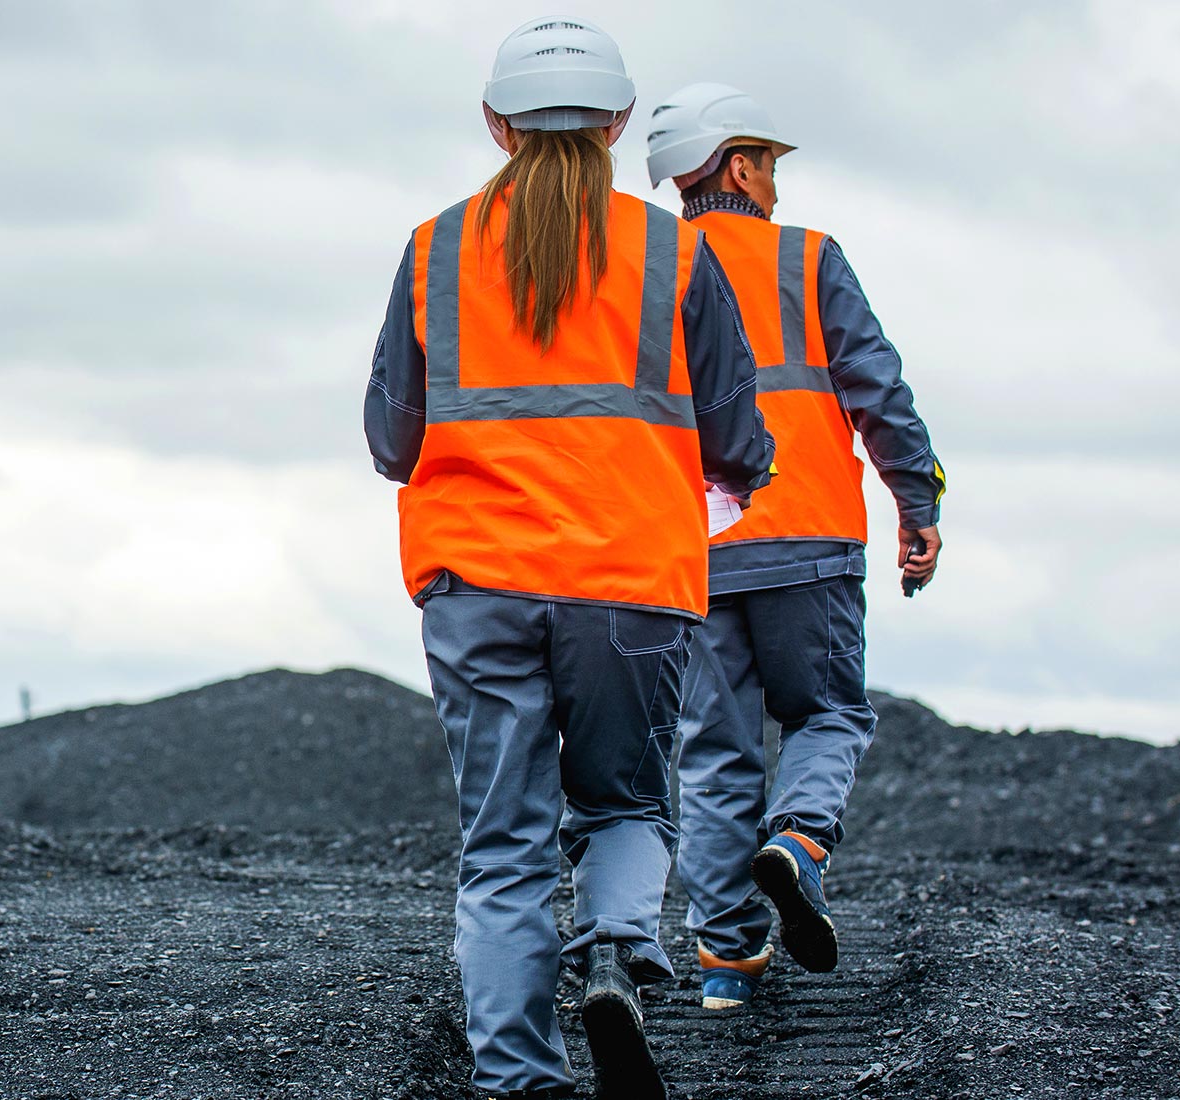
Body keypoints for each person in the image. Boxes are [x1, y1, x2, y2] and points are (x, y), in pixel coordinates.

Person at [366, 20, 776, 1099]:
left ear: (494, 122)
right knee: (627, 803)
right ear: (619, 122)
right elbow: (739, 440)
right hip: (631, 577)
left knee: (502, 842)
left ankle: (520, 1079)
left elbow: (388, 439)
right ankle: (611, 944)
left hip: (476, 578)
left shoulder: (432, 248)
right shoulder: (677, 253)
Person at [642, 83, 946, 1011]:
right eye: (768, 161)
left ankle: (727, 962)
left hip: (693, 547)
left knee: (716, 751)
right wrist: (916, 497)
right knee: (827, 716)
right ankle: (800, 842)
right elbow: (877, 388)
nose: (774, 181)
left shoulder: (647, 267)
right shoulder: (809, 257)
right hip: (810, 536)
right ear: (739, 164)